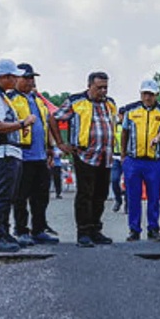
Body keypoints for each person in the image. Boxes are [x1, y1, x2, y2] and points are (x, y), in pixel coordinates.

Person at [51, 71, 118, 247]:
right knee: (85, 195)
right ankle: (84, 232)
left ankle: (96, 229)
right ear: (89, 86)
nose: (103, 91)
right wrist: (60, 143)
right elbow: (54, 118)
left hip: (106, 155)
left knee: (101, 194)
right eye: (99, 88)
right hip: (85, 155)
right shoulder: (76, 101)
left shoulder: (110, 103)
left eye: (105, 87)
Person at [0, 59, 29, 253]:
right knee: (2, 196)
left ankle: (3, 232)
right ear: (5, 77)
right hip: (2, 152)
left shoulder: (0, 96)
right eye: (14, 76)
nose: (17, 79)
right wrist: (22, 124)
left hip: (7, 151)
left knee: (7, 196)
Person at [9, 63, 58, 247]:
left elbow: (45, 125)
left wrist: (50, 146)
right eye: (26, 78)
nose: (31, 81)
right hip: (22, 156)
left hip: (40, 156)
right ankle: (21, 230)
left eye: (32, 78)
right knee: (20, 197)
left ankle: (38, 229)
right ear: (17, 78)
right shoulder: (11, 99)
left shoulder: (37, 100)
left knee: (41, 197)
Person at [120, 79, 160, 241]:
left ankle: (153, 228)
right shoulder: (131, 110)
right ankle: (134, 229)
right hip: (134, 159)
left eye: (150, 94)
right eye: (145, 94)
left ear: (156, 94)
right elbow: (124, 133)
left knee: (154, 196)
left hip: (154, 161)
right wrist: (123, 156)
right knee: (133, 196)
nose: (147, 97)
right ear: (140, 94)